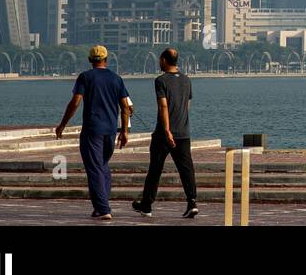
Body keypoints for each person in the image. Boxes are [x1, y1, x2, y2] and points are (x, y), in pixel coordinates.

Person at [57, 45, 131, 220]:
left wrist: (62, 125)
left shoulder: (85, 77)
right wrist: (125, 131)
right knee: (102, 166)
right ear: (106, 59)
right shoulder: (116, 79)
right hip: (111, 130)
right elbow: (125, 107)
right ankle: (101, 205)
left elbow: (75, 102)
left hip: (92, 130)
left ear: (90, 60)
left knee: (95, 168)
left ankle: (103, 208)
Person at [132, 48, 199, 219]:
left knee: (155, 168)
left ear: (163, 60)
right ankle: (192, 202)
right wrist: (181, 123)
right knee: (186, 169)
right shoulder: (187, 80)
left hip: (164, 134)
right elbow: (187, 105)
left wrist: (167, 130)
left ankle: (146, 205)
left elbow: (163, 106)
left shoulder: (160, 81)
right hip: (183, 132)